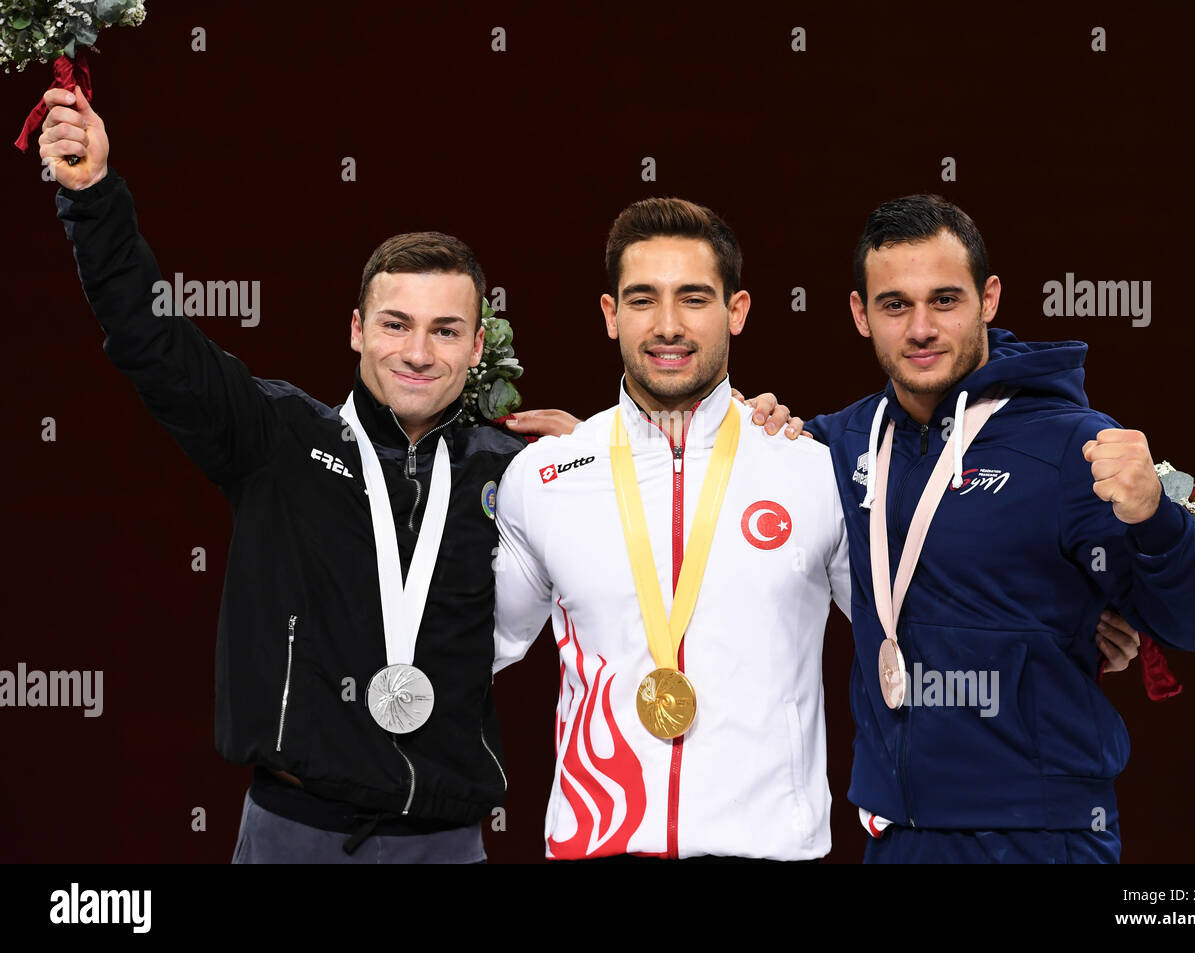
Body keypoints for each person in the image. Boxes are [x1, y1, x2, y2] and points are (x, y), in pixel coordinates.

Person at [36, 86, 796, 863]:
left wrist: (760, 423)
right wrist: (93, 196)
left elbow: (668, 506)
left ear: (477, 346)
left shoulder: (521, 471)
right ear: (358, 330)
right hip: (292, 830)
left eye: (445, 330)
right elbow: (149, 339)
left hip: (446, 840)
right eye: (396, 324)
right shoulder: (275, 438)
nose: (418, 351)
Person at [802, 194, 1195, 862]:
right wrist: (578, 443)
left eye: (945, 300)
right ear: (861, 314)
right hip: (897, 833)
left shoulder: (1070, 446)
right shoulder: (840, 440)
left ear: (989, 298)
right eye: (894, 305)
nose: (921, 328)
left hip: (1038, 836)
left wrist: (1157, 518)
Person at [492, 197, 852, 861]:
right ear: (610, 315)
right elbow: (468, 645)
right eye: (641, 299)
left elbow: (916, 630)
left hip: (770, 852)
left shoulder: (811, 470)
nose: (667, 325)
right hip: (598, 846)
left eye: (693, 298)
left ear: (736, 311)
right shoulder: (546, 478)